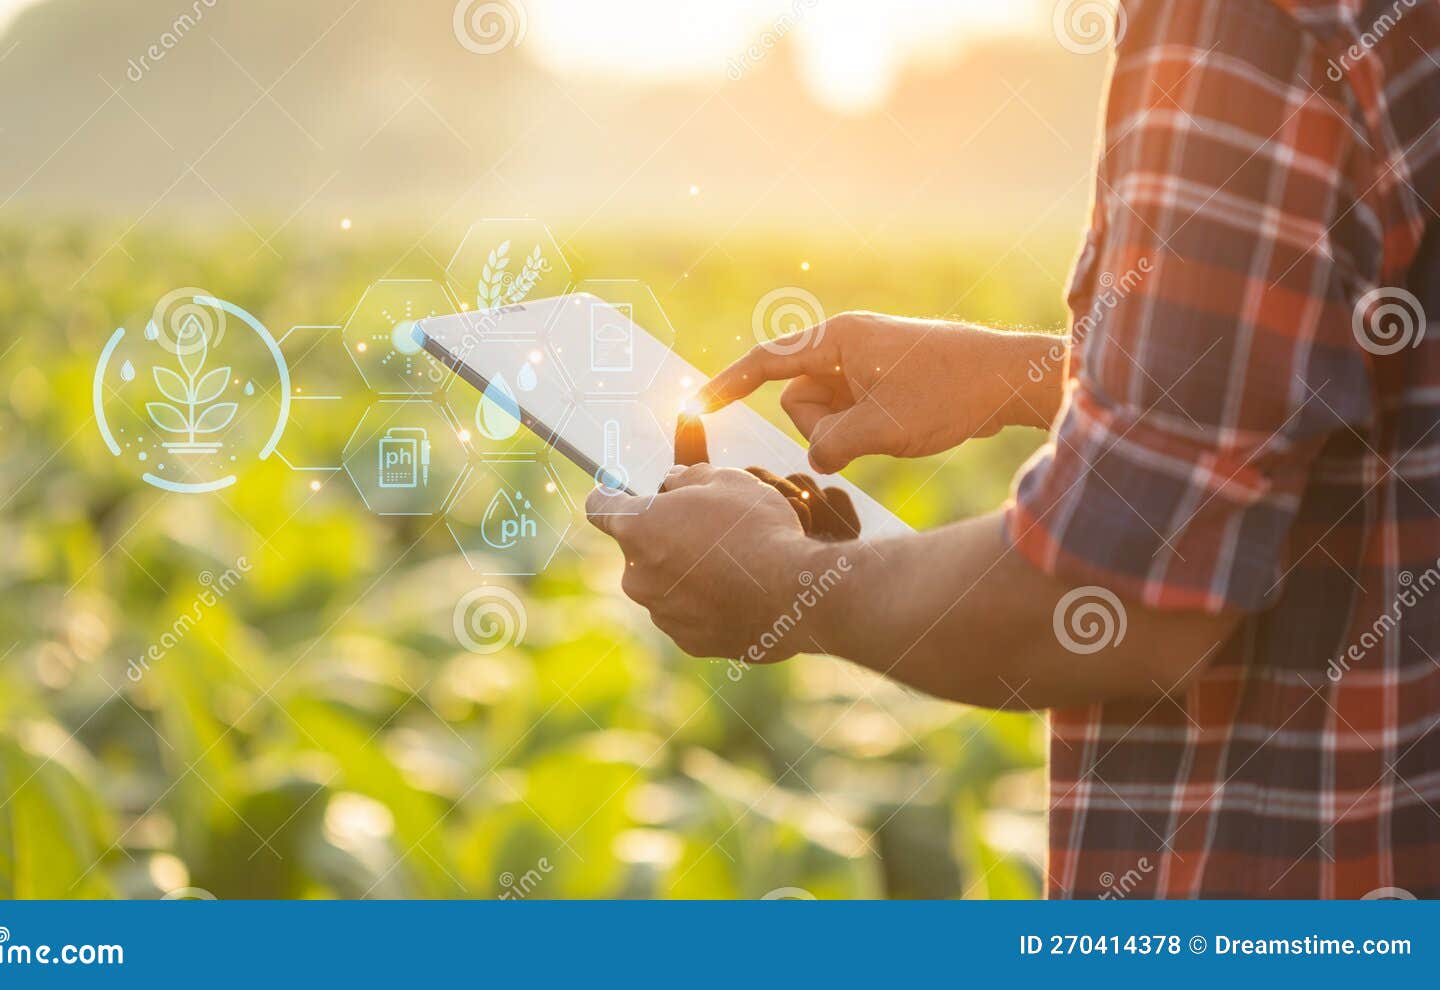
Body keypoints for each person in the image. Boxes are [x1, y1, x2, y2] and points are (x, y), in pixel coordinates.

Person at [586, 0, 1440, 899]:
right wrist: (1026, 377)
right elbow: (1373, 391)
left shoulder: (1242, 21)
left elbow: (1110, 590)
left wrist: (782, 582)